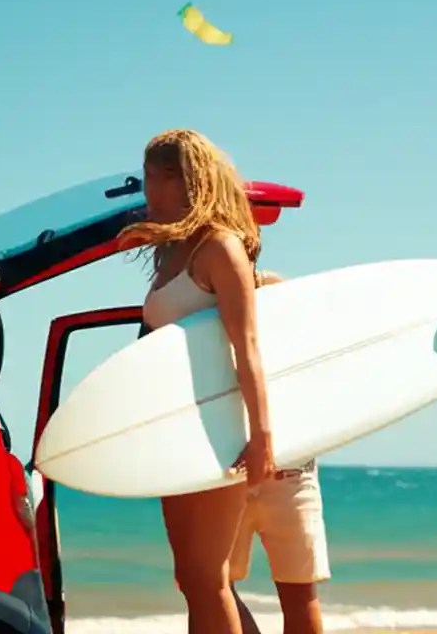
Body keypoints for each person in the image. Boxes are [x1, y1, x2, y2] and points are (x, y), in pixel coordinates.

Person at [119, 128, 275, 634]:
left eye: (158, 178)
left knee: (208, 578)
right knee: (192, 578)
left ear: (186, 180)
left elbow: (247, 348)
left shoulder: (220, 249)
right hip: (176, 429)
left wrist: (262, 439)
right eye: (148, 179)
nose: (150, 192)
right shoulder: (170, 251)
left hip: (218, 430)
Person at [229, 269, 330, 634]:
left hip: (257, 465)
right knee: (219, 587)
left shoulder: (266, 291)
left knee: (214, 588)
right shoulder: (270, 294)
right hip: (264, 466)